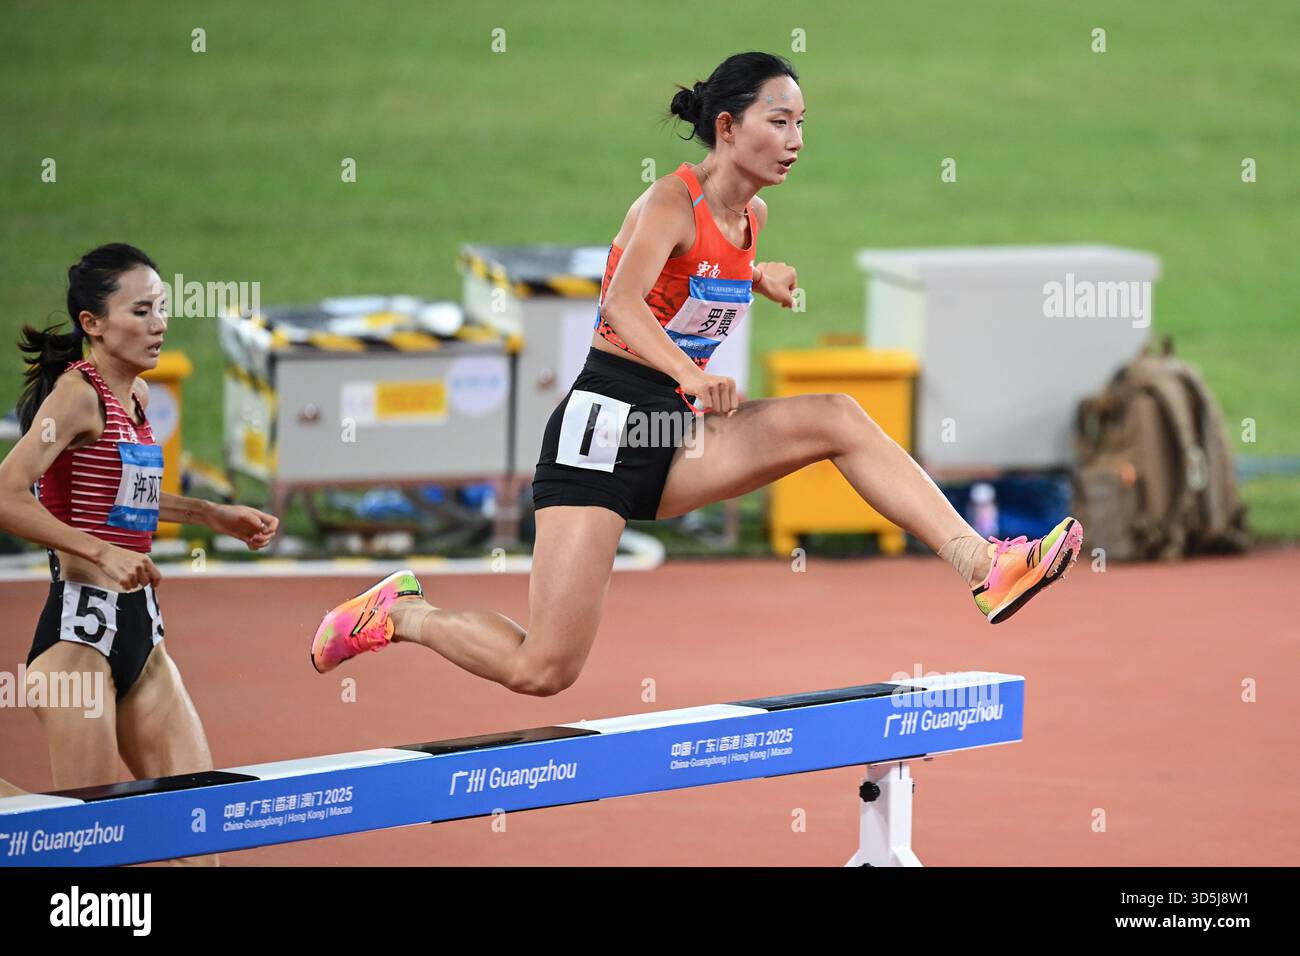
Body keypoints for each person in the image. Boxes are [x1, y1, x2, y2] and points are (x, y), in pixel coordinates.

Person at [310, 52, 1083, 695]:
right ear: (727, 126)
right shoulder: (667, 202)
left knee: (838, 417)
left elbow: (698, 277)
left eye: (802, 124)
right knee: (543, 669)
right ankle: (401, 613)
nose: (795, 141)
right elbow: (620, 302)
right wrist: (691, 372)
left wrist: (756, 279)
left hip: (675, 434)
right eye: (778, 122)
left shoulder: (753, 219)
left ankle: (986, 565)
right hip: (602, 431)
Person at [0, 243, 279, 864]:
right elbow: (6, 495)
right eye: (141, 310)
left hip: (142, 638)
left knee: (199, 842)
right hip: (77, 645)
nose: (158, 324)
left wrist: (211, 514)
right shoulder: (77, 396)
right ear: (91, 324)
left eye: (163, 309)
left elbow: (126, 497)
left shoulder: (138, 398)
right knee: (94, 853)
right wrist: (99, 553)